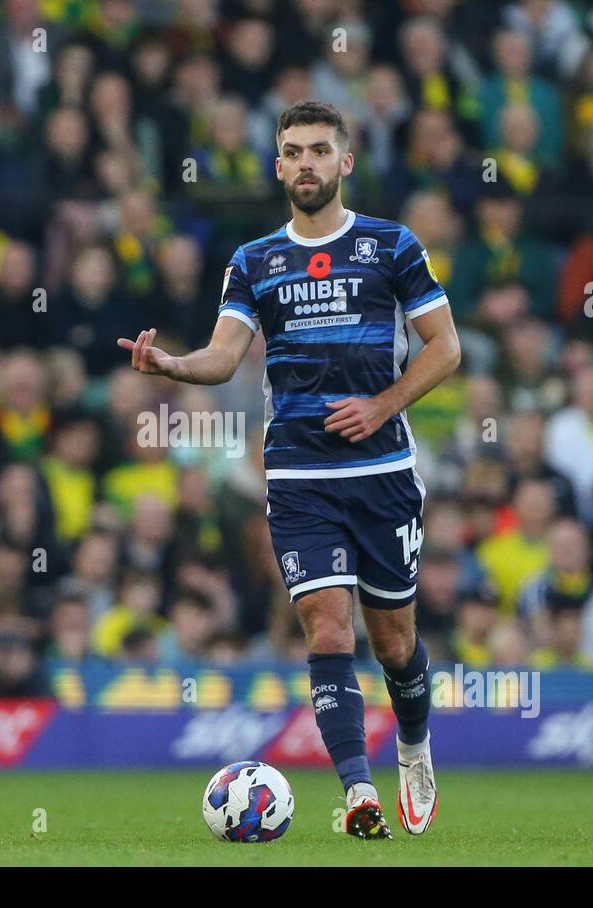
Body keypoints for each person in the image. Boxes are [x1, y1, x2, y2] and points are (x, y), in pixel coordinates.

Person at [118, 101, 460, 838]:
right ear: (278, 166)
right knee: (328, 629)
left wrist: (382, 405)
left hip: (383, 470)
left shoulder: (390, 246)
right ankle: (360, 793)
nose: (306, 162)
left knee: (395, 640)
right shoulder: (254, 261)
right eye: (293, 151)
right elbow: (222, 355)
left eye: (319, 150)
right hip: (299, 477)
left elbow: (445, 346)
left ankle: (413, 743)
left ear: (345, 162)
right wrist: (171, 365)